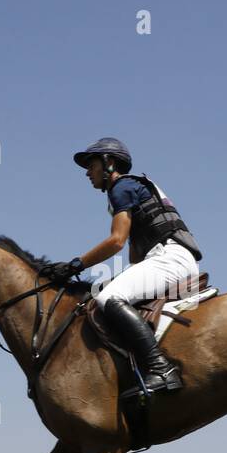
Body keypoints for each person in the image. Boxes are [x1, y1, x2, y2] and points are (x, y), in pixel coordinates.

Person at [40, 137, 203, 399]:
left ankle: (161, 369)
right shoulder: (131, 189)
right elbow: (135, 256)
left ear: (109, 163)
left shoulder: (122, 187)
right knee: (108, 293)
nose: (87, 173)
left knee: (109, 297)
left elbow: (116, 241)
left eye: (91, 165)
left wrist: (75, 265)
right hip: (168, 258)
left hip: (170, 258)